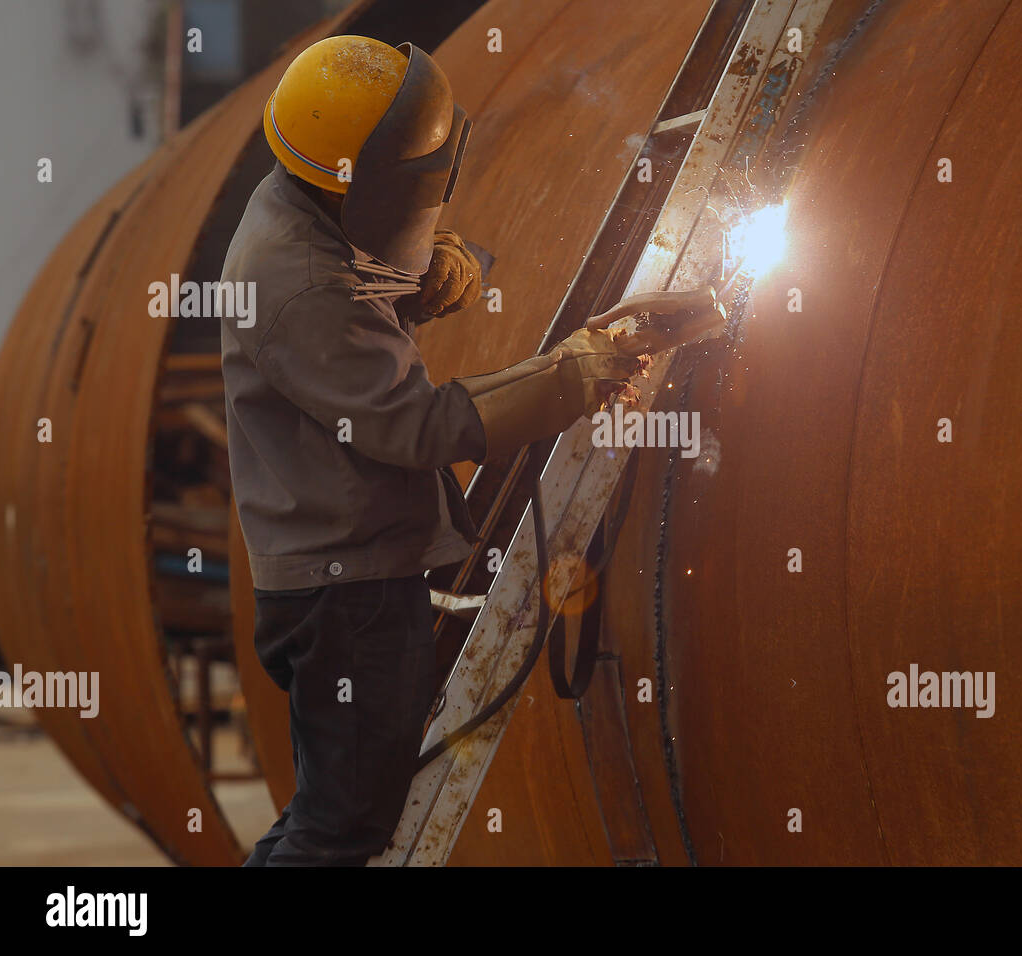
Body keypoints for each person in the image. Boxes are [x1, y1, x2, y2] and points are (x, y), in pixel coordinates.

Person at [220, 34, 715, 865]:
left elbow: (344, 286)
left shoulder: (296, 195)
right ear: (359, 180)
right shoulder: (300, 283)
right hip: (350, 598)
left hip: (337, 575)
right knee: (342, 831)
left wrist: (408, 282)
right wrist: (573, 374)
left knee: (329, 814)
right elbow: (415, 426)